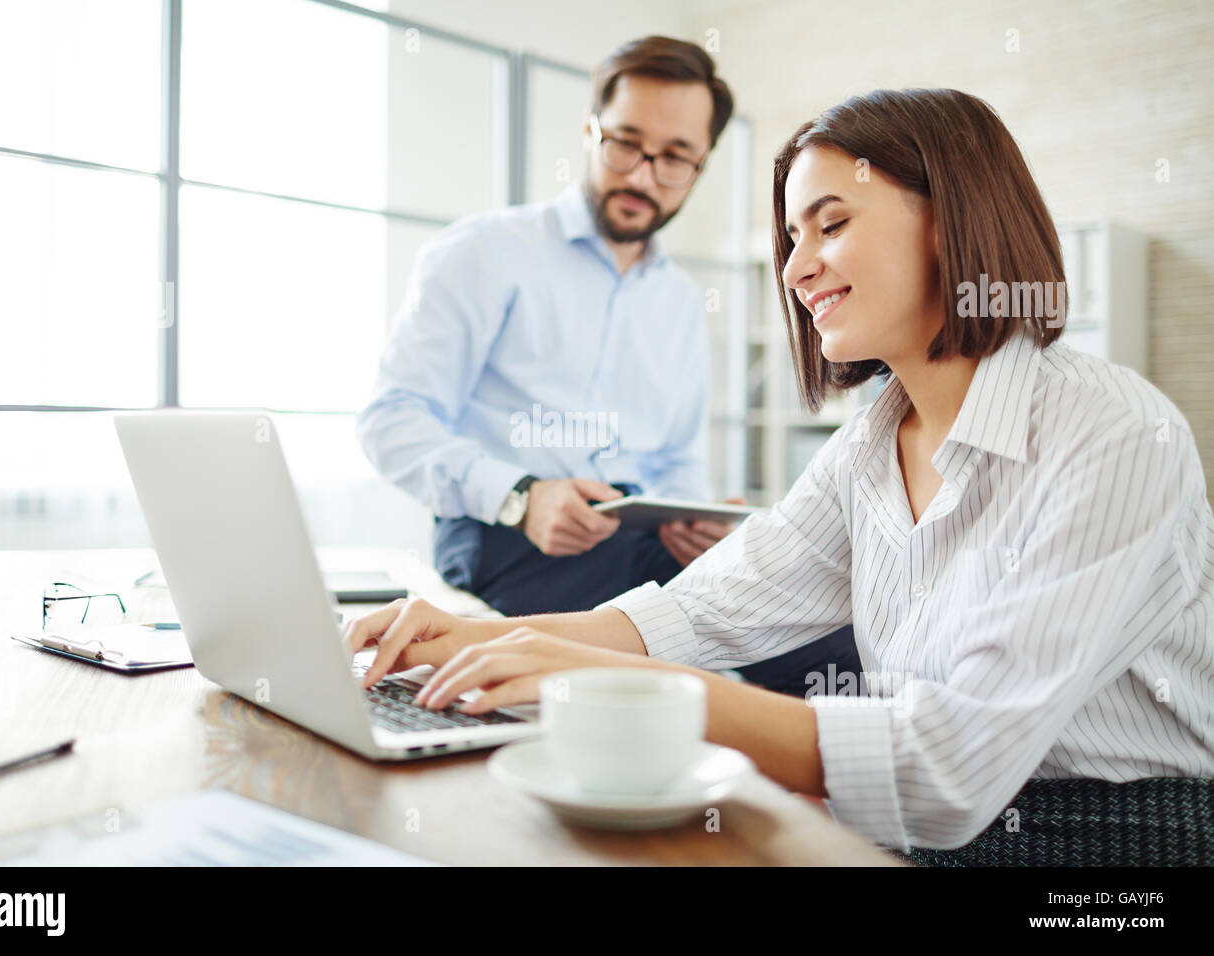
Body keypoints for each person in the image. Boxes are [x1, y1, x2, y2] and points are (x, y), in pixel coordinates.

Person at [343, 88, 1214, 857]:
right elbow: (700, 609)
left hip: (1116, 847)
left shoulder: (1117, 435)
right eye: (793, 237)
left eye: (830, 226)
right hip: (921, 831)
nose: (796, 270)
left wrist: (631, 688)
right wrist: (486, 641)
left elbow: (946, 771)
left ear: (951, 218)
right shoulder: (870, 443)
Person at [359, 35, 862, 689]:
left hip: (637, 532)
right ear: (592, 130)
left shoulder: (680, 302)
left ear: (701, 163)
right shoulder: (482, 253)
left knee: (810, 612)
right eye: (626, 143)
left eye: (675, 158)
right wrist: (521, 497)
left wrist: (693, 519)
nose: (642, 176)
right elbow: (389, 422)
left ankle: (875, 764)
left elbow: (676, 460)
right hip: (502, 534)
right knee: (714, 618)